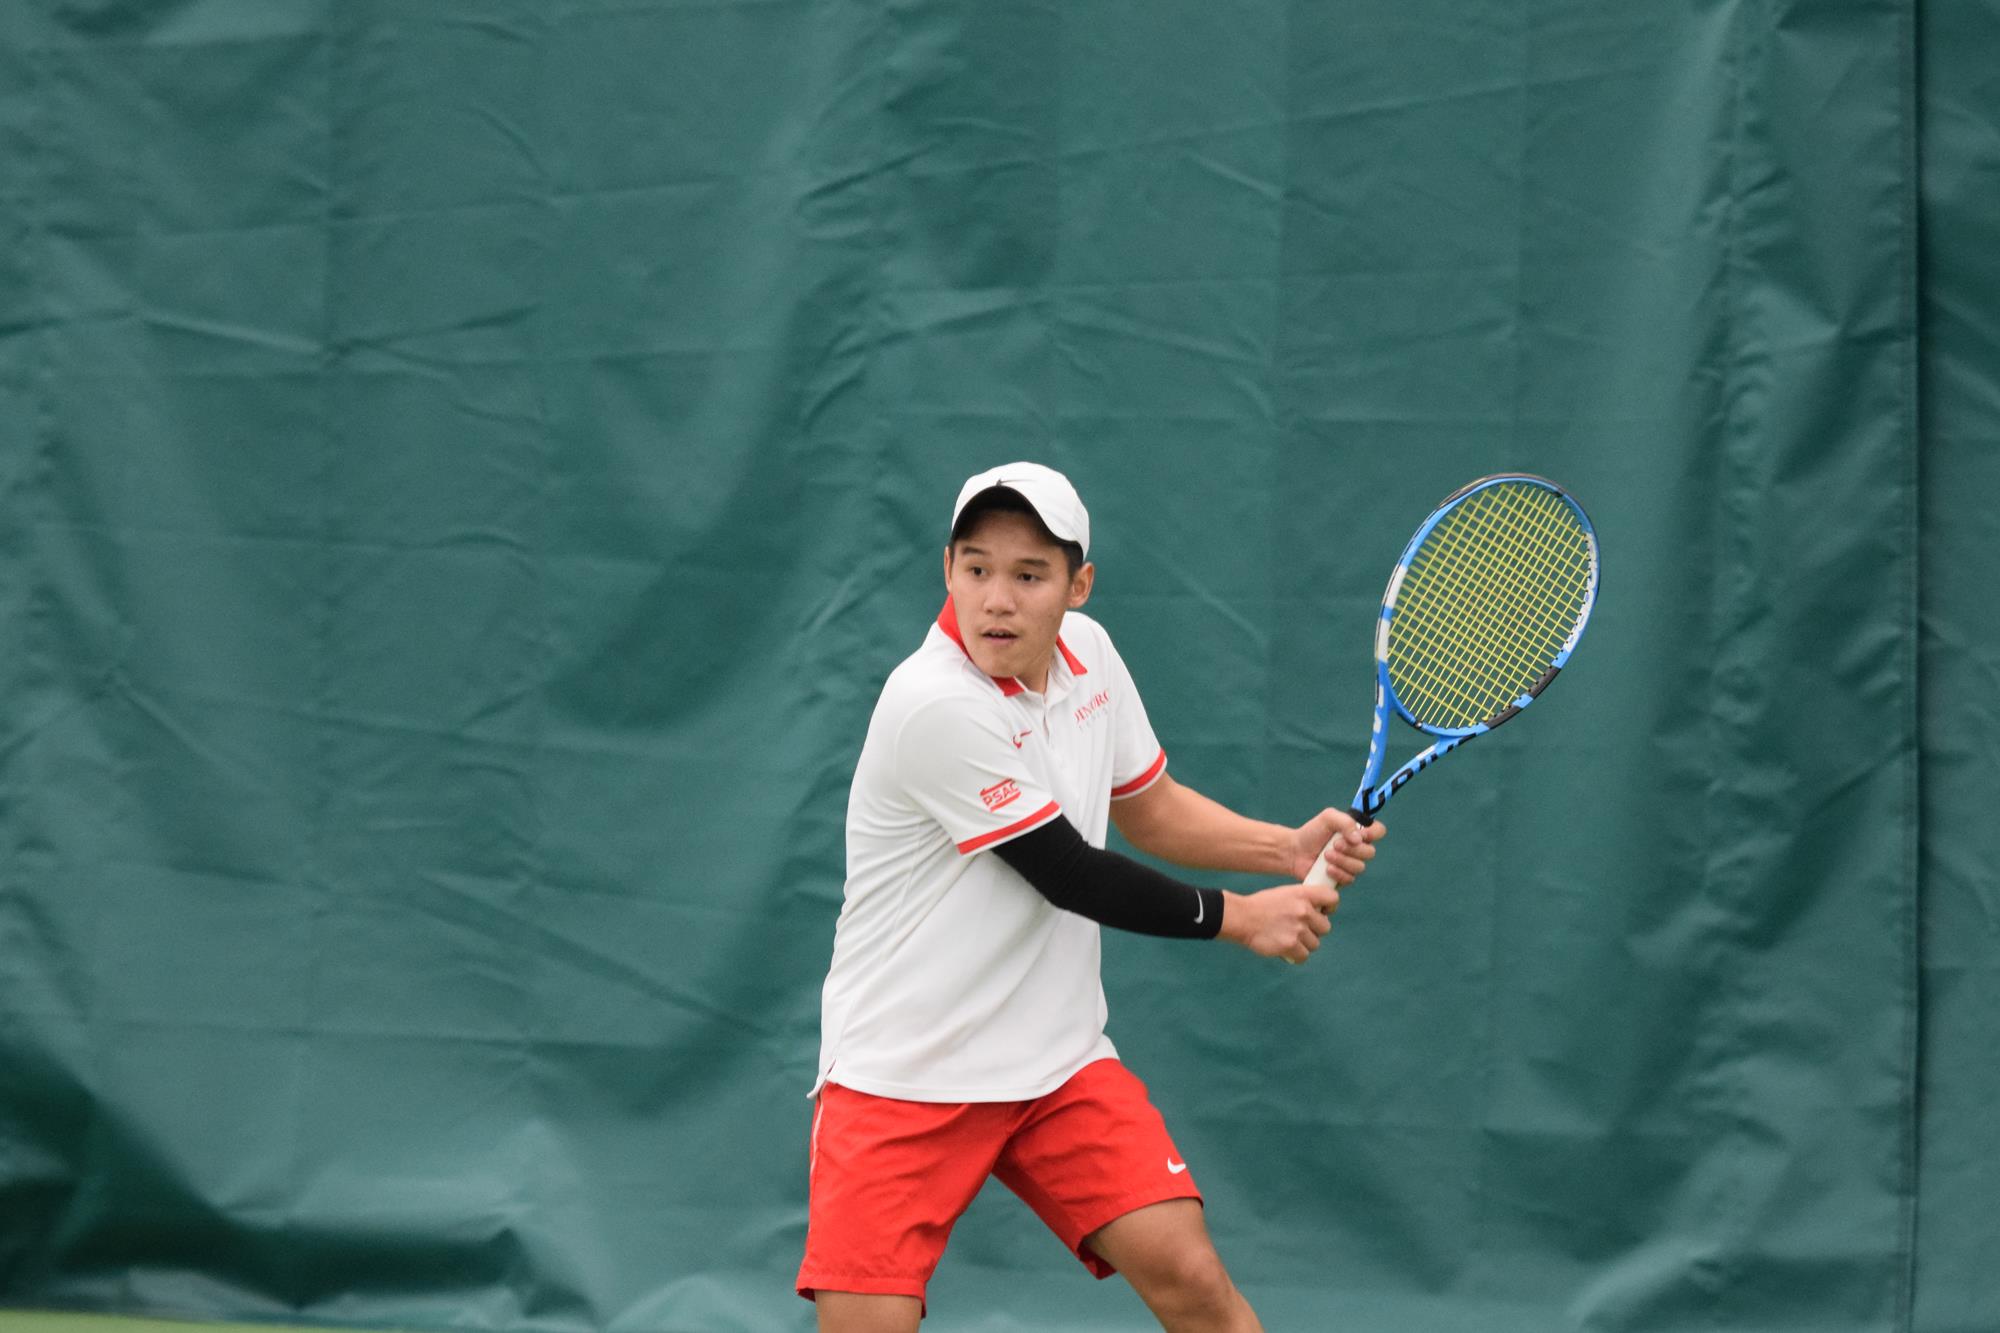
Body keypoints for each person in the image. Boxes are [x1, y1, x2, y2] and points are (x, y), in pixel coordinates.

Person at [799, 462, 1387, 1332]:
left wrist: (1282, 847)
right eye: (976, 567)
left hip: (1054, 1064)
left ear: (1078, 585)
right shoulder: (931, 705)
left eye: (1029, 575)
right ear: (948, 569)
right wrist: (1243, 917)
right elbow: (1070, 871)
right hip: (902, 1075)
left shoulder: (1092, 658)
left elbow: (1147, 805)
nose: (997, 598)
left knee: (1196, 1283)